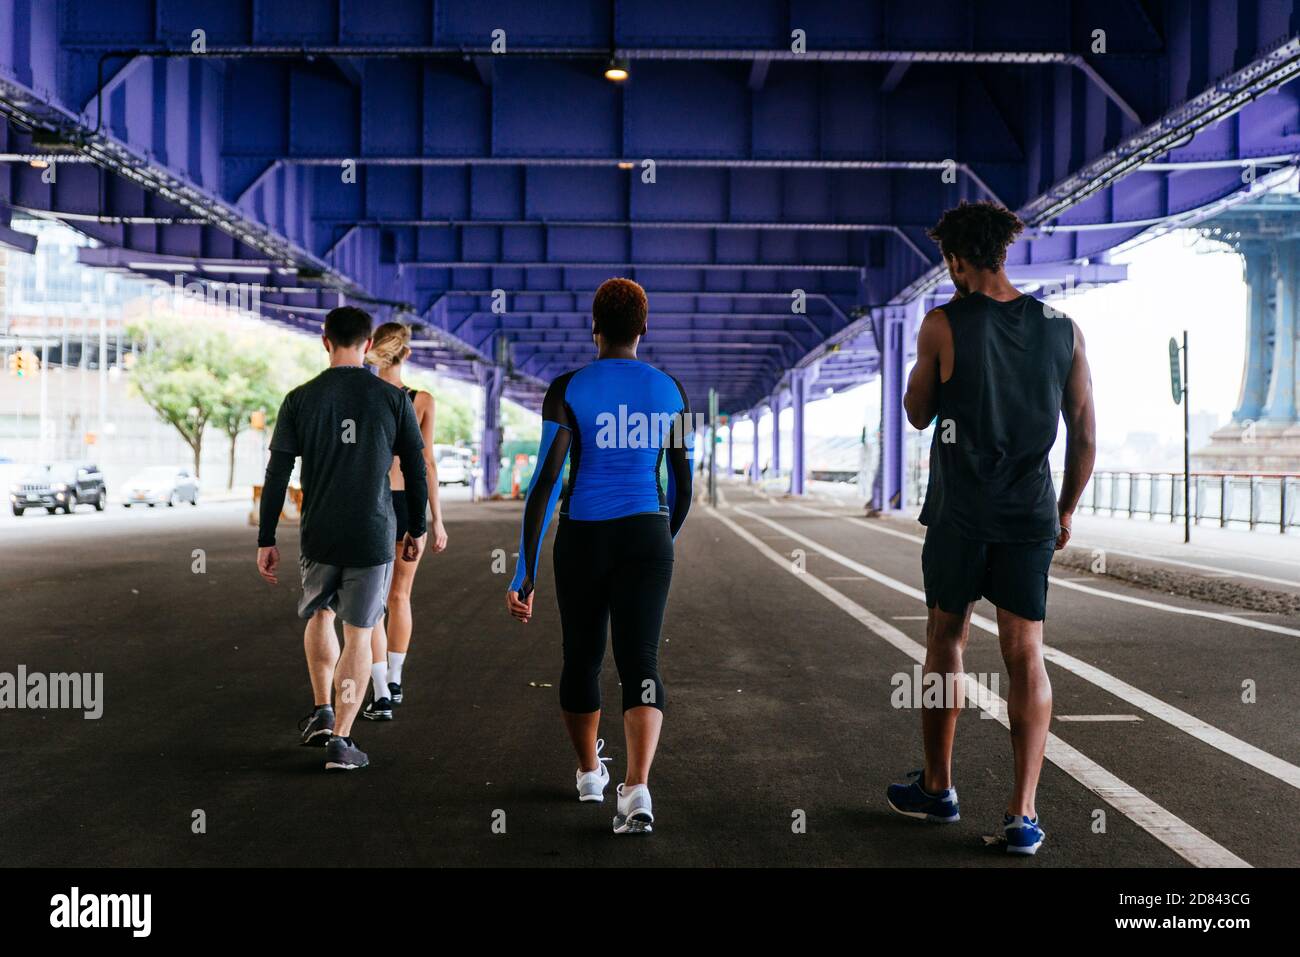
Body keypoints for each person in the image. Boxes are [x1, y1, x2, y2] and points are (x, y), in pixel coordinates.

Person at [887, 201, 1096, 855]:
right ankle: (1022, 812)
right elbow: (1086, 435)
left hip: (959, 516)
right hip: (1028, 515)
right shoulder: (1064, 328)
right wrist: (1063, 511)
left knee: (945, 640)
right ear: (1003, 253)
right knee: (1025, 652)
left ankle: (939, 786)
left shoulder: (942, 324)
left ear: (954, 259)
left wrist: (930, 376)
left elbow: (918, 413)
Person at [505, 277, 694, 835]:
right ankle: (636, 789)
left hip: (583, 537)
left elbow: (544, 483)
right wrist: (662, 542)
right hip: (647, 535)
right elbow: (683, 483)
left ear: (594, 328)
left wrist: (524, 571)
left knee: (581, 658)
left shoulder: (568, 387)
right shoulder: (671, 390)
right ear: (643, 328)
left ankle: (590, 773)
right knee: (641, 660)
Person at [256, 306, 429, 772]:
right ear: (369, 345)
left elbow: (278, 472)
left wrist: (266, 536)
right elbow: (415, 465)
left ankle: (322, 710)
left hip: (320, 533)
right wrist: (418, 526)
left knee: (319, 614)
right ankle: (342, 740)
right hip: (373, 534)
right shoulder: (392, 399)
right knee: (359, 633)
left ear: (325, 340)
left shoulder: (300, 399)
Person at [359, 322, 450, 721]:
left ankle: (379, 692)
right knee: (400, 597)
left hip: (372, 506)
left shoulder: (362, 397)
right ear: (407, 354)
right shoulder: (423, 400)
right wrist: (437, 519)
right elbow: (427, 463)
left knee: (372, 604)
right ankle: (395, 679)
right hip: (410, 504)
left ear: (373, 349)